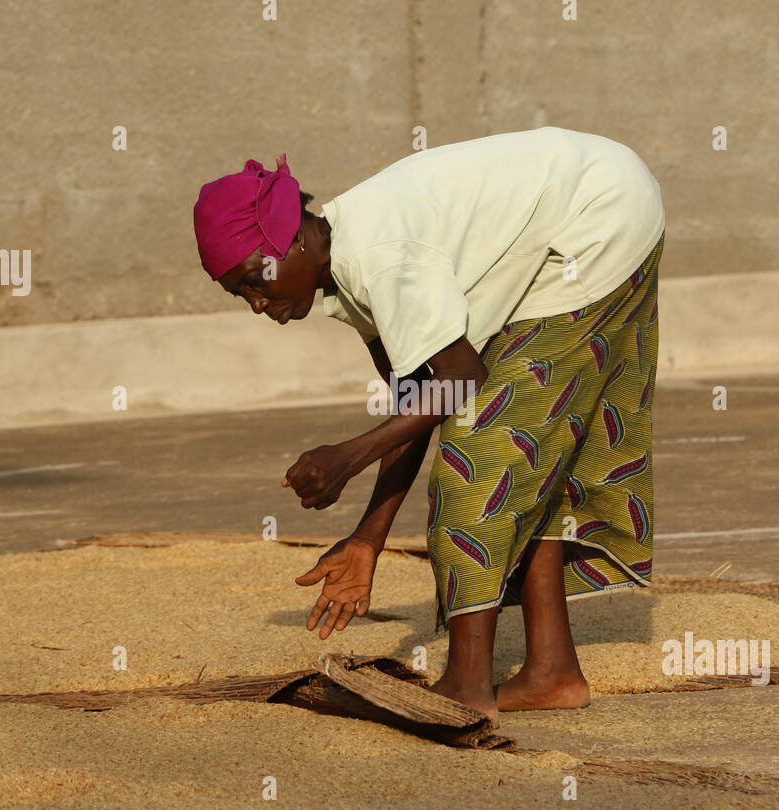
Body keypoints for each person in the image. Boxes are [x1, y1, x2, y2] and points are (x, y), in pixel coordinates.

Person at [192, 127, 664, 725]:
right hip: (588, 199)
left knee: (483, 450)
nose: (258, 304)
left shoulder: (381, 260)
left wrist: (349, 455)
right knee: (523, 452)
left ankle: (467, 685)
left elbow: (460, 378)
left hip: (599, 215)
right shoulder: (339, 268)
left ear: (293, 239)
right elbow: (417, 397)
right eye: (240, 295)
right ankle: (552, 672)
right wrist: (368, 537)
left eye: (255, 280)